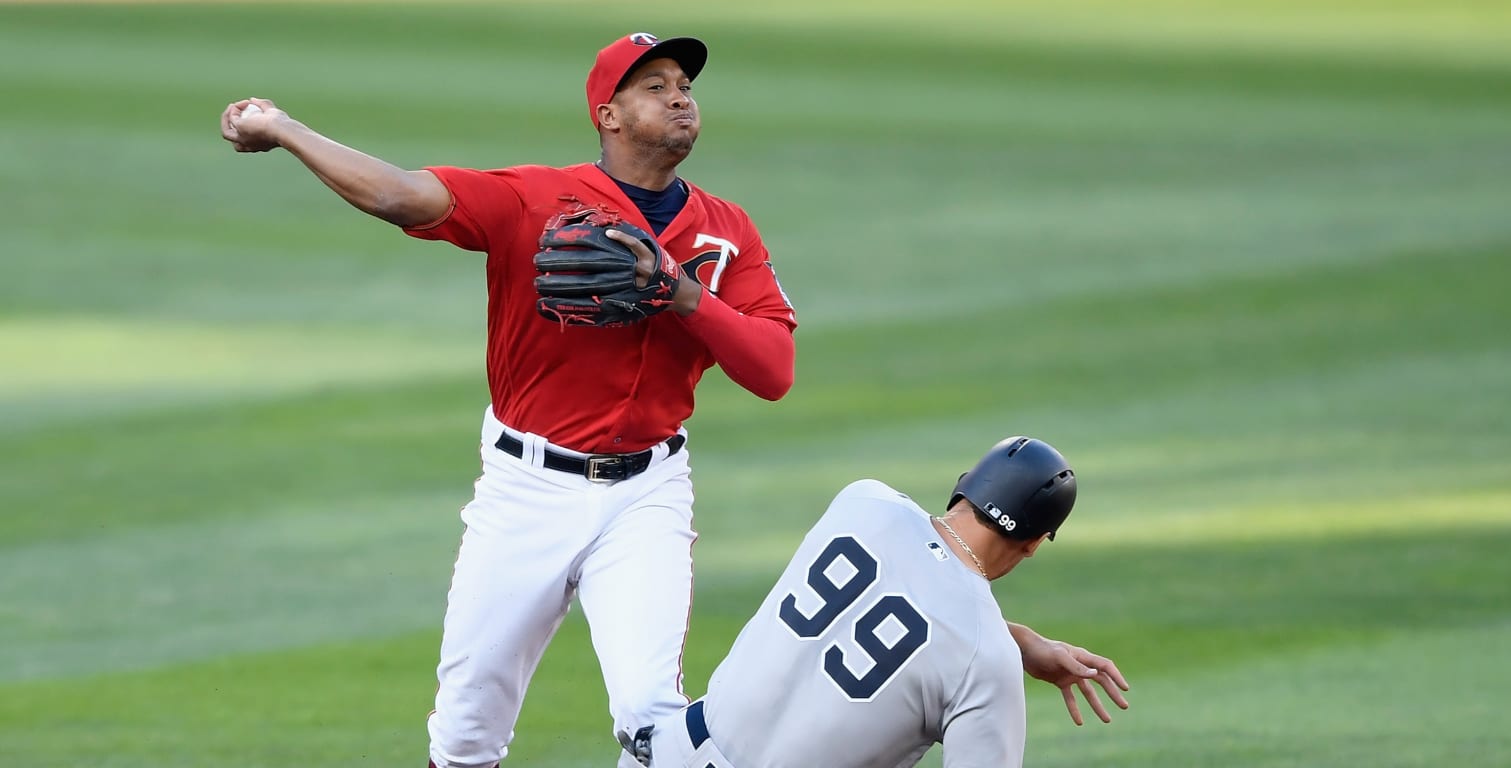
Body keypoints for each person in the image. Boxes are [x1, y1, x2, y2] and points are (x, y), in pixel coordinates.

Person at [220, 33, 798, 768]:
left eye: (684, 83)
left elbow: (774, 370)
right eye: (653, 86)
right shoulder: (531, 198)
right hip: (526, 492)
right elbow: (400, 195)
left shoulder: (728, 230)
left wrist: (681, 293)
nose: (680, 95)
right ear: (608, 115)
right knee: (466, 736)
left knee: (659, 727)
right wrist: (283, 128)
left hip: (647, 495)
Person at [632, 436, 1131, 767]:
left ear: (963, 487)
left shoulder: (862, 501)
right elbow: (940, 629)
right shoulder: (984, 659)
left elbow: (900, 594)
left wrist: (1014, 640)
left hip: (669, 751)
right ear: (1034, 542)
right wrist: (1007, 648)